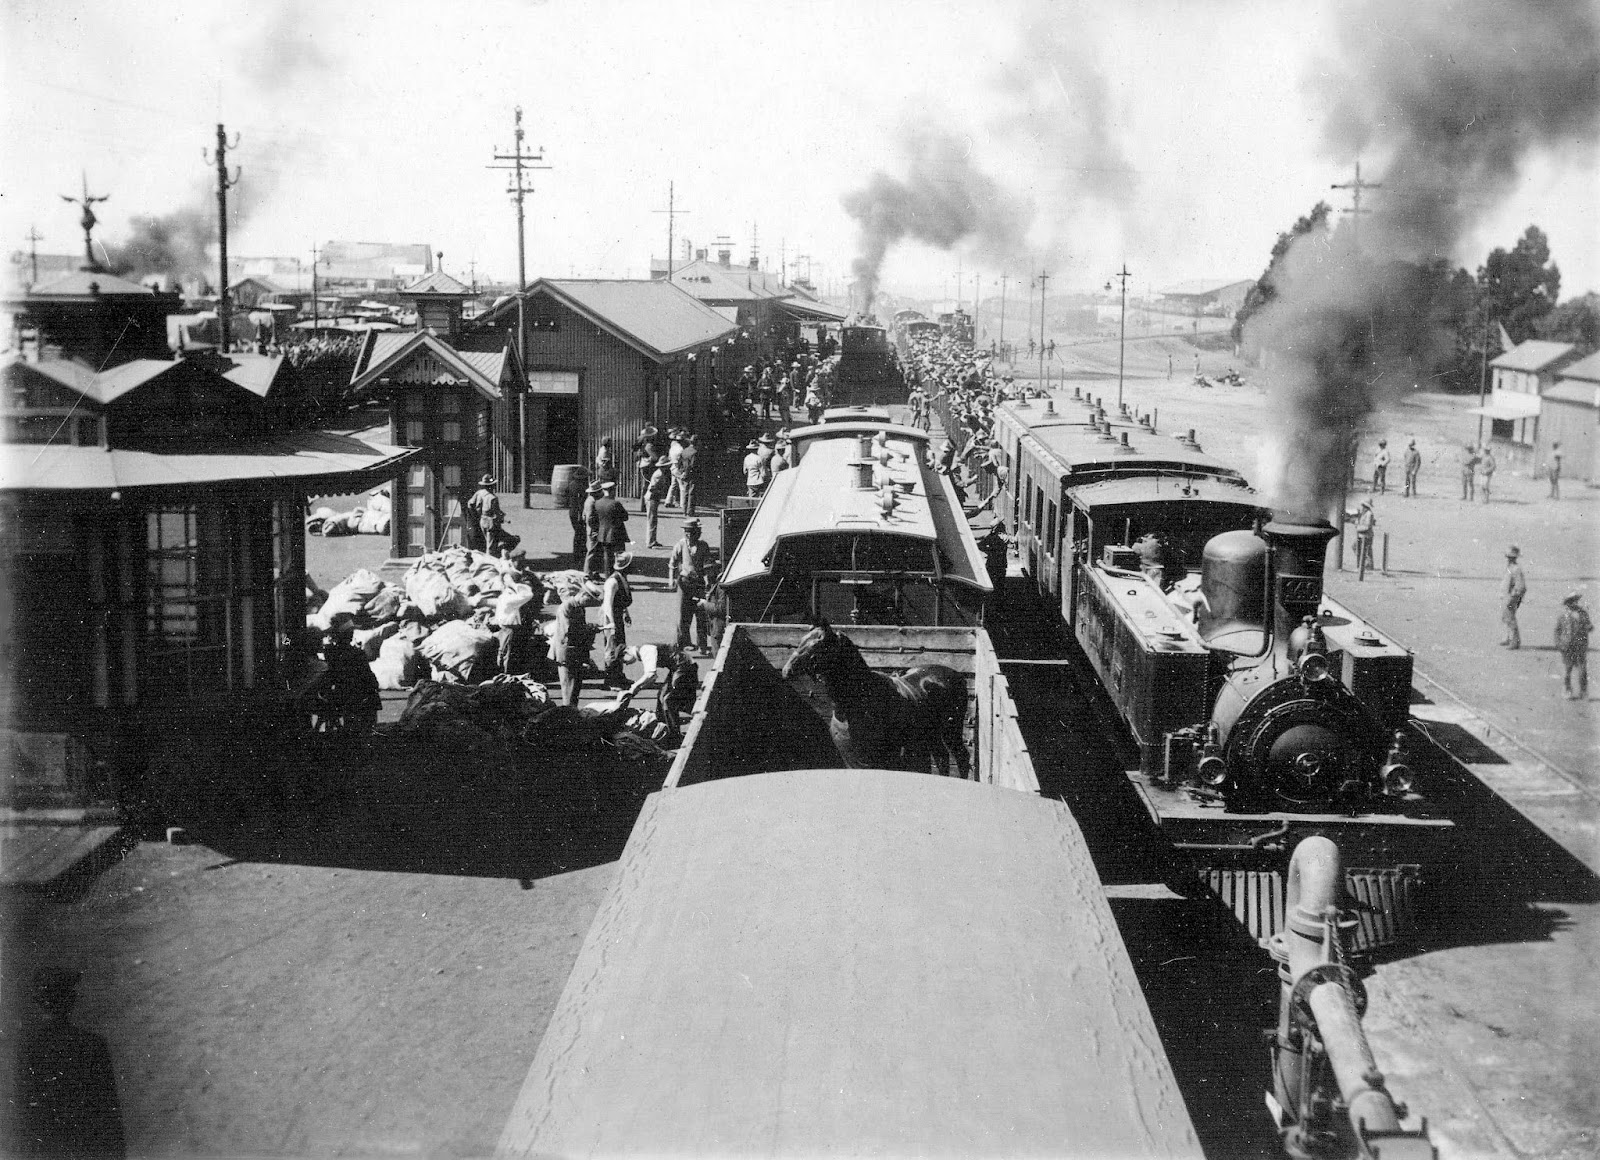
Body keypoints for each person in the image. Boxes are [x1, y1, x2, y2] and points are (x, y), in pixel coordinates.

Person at [13, 967, 125, 1159]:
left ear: (40, 1004)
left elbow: (25, 1116)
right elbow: (108, 1115)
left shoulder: (29, 1047)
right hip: (86, 1147)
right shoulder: (93, 1044)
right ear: (71, 1002)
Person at [321, 615, 380, 736]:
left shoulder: (329, 652)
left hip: (340, 694)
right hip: (354, 696)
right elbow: (368, 677)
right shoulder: (357, 653)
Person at [668, 517, 714, 653]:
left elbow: (707, 566)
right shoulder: (680, 545)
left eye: (694, 532)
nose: (691, 535)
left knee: (701, 614)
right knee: (683, 616)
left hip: (698, 584)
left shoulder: (703, 546)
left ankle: (702, 645)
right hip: (684, 583)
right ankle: (684, 643)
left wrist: (707, 582)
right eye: (688, 532)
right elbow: (672, 564)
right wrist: (671, 580)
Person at [549, 595, 594, 707]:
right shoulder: (566, 607)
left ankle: (572, 711)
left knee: (575, 686)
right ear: (582, 594)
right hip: (567, 651)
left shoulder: (579, 606)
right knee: (568, 686)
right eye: (588, 600)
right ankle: (568, 714)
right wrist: (589, 629)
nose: (589, 603)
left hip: (576, 651)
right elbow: (567, 631)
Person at [600, 553, 634, 689]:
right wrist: (611, 624)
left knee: (620, 646)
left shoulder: (622, 578)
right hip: (610, 617)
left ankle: (618, 676)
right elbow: (608, 604)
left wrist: (626, 613)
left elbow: (620, 600)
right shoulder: (612, 582)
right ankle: (610, 680)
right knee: (612, 647)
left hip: (618, 615)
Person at [586, 480, 629, 578]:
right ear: (613, 491)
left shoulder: (597, 503)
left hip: (603, 535)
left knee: (607, 559)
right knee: (620, 558)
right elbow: (625, 517)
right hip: (616, 534)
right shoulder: (615, 503)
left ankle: (608, 578)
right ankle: (621, 580)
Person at [1555, 592, 1592, 700]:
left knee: (1582, 670)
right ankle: (1568, 689)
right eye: (1570, 602)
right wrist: (1559, 643)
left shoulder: (1582, 614)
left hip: (1579, 645)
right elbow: (1557, 631)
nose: (1573, 604)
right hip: (1567, 646)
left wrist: (1588, 627)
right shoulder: (1563, 616)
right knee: (1568, 670)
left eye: (1575, 601)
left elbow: (1589, 626)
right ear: (1567, 604)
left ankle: (1583, 691)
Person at [697, 563, 729, 656]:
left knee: (718, 655)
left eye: (709, 571)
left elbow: (721, 608)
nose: (707, 574)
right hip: (715, 626)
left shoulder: (721, 586)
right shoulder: (713, 584)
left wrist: (705, 604)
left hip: (719, 626)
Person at [463, 474, 499, 553]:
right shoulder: (493, 498)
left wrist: (474, 515)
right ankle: (489, 559)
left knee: (485, 539)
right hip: (490, 521)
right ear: (491, 486)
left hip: (482, 519)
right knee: (490, 543)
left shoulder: (479, 493)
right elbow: (496, 512)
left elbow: (470, 504)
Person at [976, 521, 1013, 597]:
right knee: (1000, 584)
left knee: (992, 583)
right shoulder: (1005, 538)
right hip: (1002, 564)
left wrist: (988, 551)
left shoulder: (991, 537)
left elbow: (979, 545)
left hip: (991, 564)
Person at [1500, 545, 1526, 649]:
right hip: (1506, 596)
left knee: (1510, 619)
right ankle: (1508, 638)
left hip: (1511, 597)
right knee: (1505, 618)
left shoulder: (1516, 569)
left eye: (1510, 557)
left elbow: (1521, 586)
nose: (1508, 559)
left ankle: (1515, 641)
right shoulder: (1509, 568)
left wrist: (1514, 597)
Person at [566, 466, 591, 565]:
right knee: (581, 534)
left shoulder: (571, 484)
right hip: (578, 512)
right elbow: (581, 502)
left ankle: (578, 553)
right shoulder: (581, 487)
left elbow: (566, 494)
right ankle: (579, 554)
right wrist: (582, 514)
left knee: (578, 533)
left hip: (572, 511)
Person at [643, 454, 670, 548]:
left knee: (653, 520)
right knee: (652, 520)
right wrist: (660, 492)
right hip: (652, 498)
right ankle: (650, 541)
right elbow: (652, 488)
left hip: (654, 498)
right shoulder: (659, 474)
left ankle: (652, 540)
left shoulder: (660, 473)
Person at [1343, 499, 1377, 571]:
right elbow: (1359, 522)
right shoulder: (1363, 513)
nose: (1362, 507)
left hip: (1366, 536)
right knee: (1355, 547)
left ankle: (1368, 566)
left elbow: (1367, 526)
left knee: (1367, 551)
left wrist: (1358, 528)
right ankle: (1364, 563)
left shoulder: (1369, 514)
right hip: (1361, 536)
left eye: (1363, 506)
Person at [677, 434, 698, 516]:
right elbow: (693, 465)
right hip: (692, 474)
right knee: (692, 492)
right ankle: (690, 511)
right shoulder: (695, 452)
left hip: (685, 473)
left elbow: (679, 463)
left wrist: (682, 472)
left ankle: (684, 510)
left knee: (685, 492)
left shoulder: (684, 451)